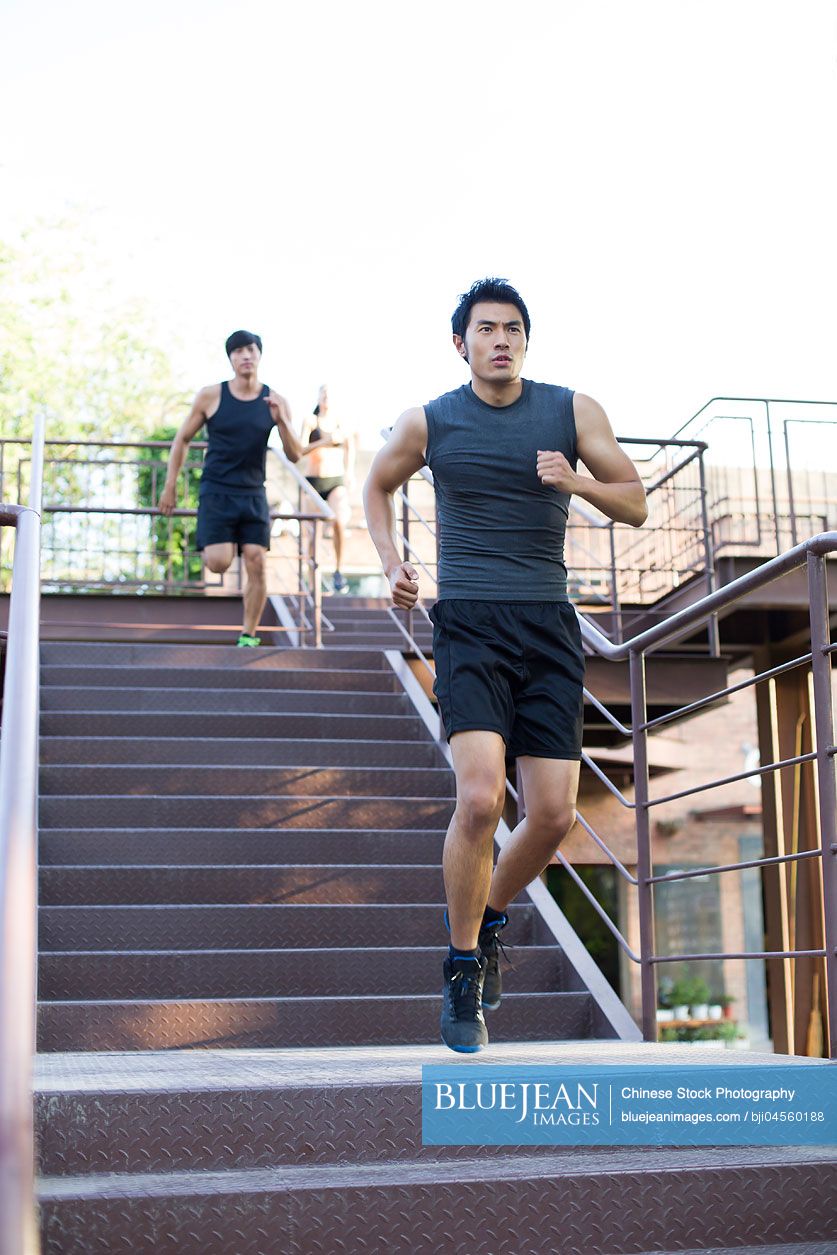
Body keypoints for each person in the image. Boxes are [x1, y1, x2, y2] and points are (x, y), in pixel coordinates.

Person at [363, 278, 647, 1053]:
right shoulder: (430, 419)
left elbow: (635, 500)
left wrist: (575, 481)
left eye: (513, 329)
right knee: (482, 797)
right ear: (460, 343)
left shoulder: (570, 410)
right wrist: (393, 563)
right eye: (486, 329)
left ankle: (485, 914)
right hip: (471, 625)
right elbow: (376, 486)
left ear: (526, 340)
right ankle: (461, 971)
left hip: (549, 625)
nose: (501, 340)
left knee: (553, 814)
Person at [158, 330, 304, 646]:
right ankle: (227, 541)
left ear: (259, 354)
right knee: (218, 563)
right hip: (216, 490)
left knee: (257, 560)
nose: (245, 356)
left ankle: (248, 636)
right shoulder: (210, 396)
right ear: (231, 359)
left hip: (253, 492)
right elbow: (182, 439)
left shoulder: (275, 400)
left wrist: (283, 422)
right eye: (237, 351)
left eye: (250, 349)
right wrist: (170, 486)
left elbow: (296, 454)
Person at [300, 384, 355, 592]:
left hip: (335, 480)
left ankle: (338, 569)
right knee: (312, 533)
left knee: (339, 521)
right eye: (323, 394)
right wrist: (324, 441)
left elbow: (350, 447)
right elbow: (300, 450)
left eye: (330, 395)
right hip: (313, 480)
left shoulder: (341, 422)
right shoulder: (310, 421)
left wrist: (349, 473)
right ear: (318, 397)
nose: (326, 398)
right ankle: (313, 582)